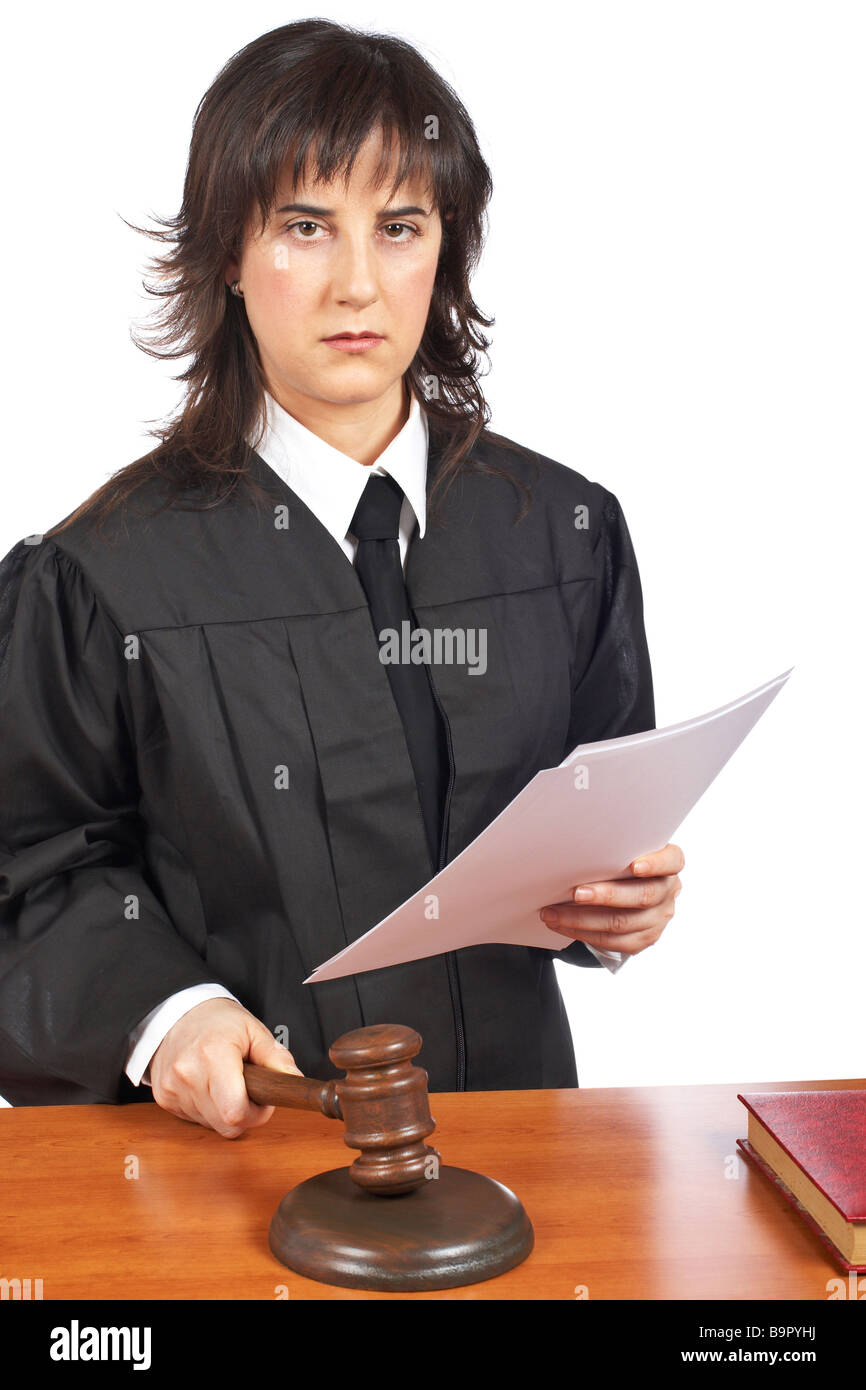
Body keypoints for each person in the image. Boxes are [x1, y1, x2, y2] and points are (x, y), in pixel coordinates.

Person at [0, 19, 683, 1133]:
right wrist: (165, 1012)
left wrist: (614, 904)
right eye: (305, 228)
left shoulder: (560, 536)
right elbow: (24, 871)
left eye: (399, 226)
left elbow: (589, 824)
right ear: (228, 251)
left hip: (522, 1158)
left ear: (443, 248)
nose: (357, 284)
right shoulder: (100, 577)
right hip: (235, 1165)